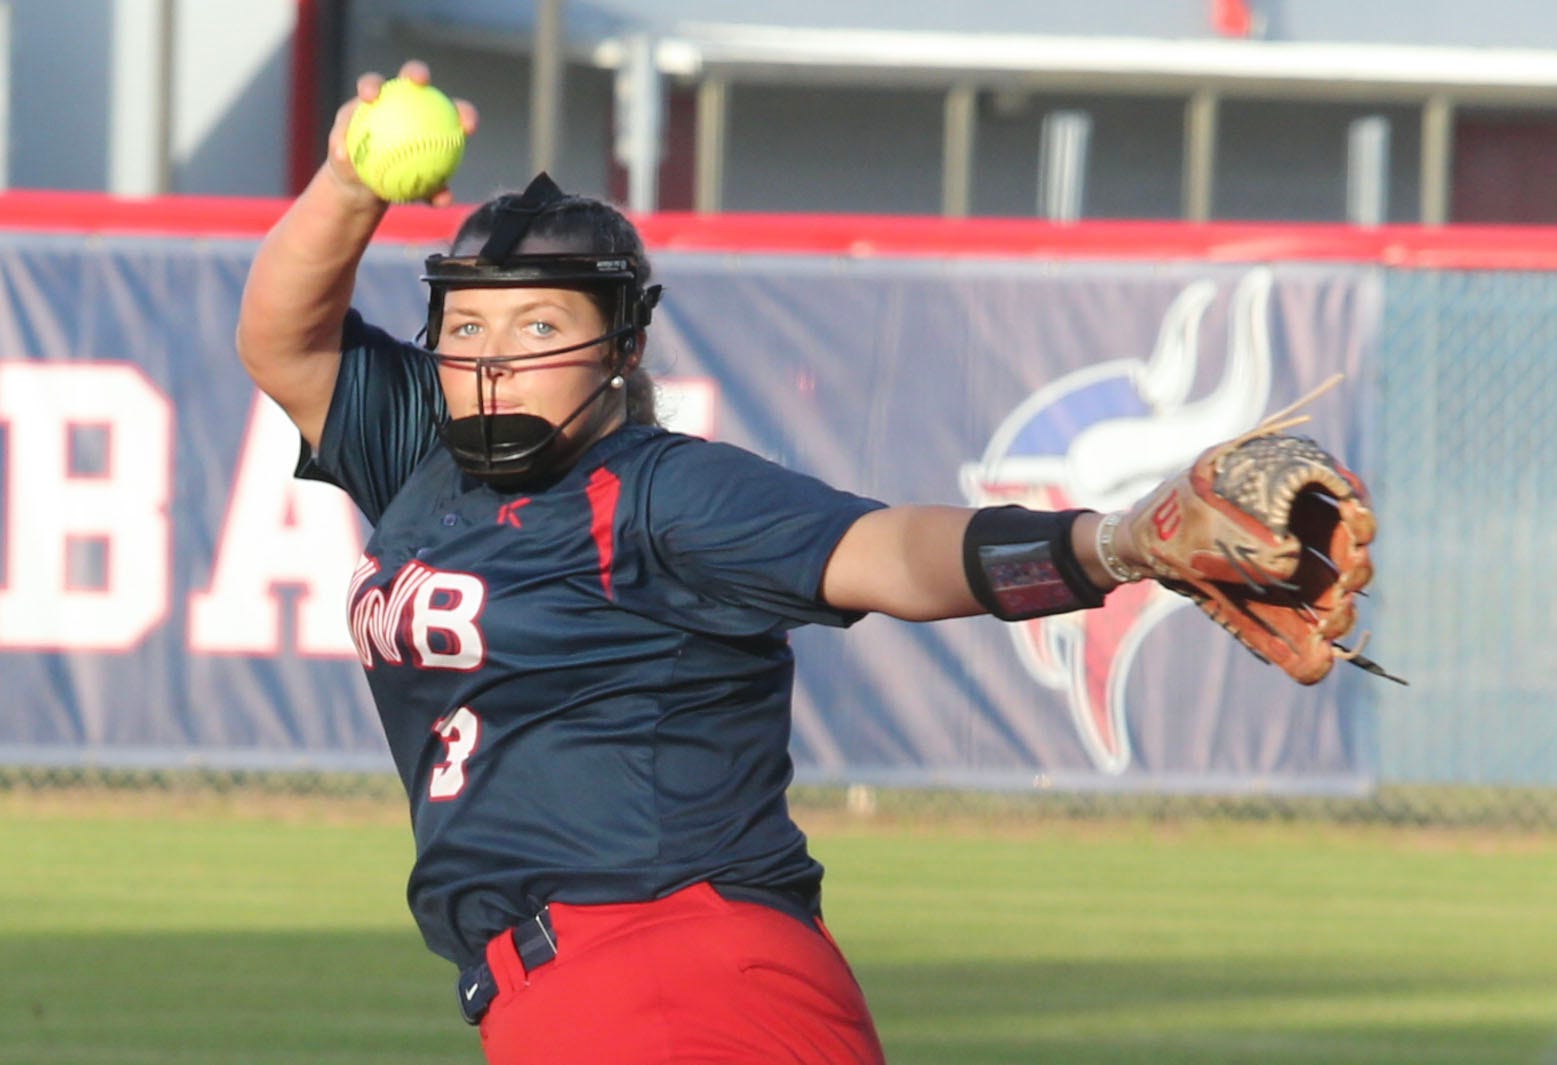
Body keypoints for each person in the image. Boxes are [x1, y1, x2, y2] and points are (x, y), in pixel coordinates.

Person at [235, 61, 1175, 1065]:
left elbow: (892, 554)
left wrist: (1107, 546)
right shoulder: (425, 465)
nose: (495, 355)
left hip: (683, 978)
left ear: (621, 349)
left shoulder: (658, 489)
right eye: (468, 325)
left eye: (540, 324)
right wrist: (348, 185)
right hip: (563, 995)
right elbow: (282, 343)